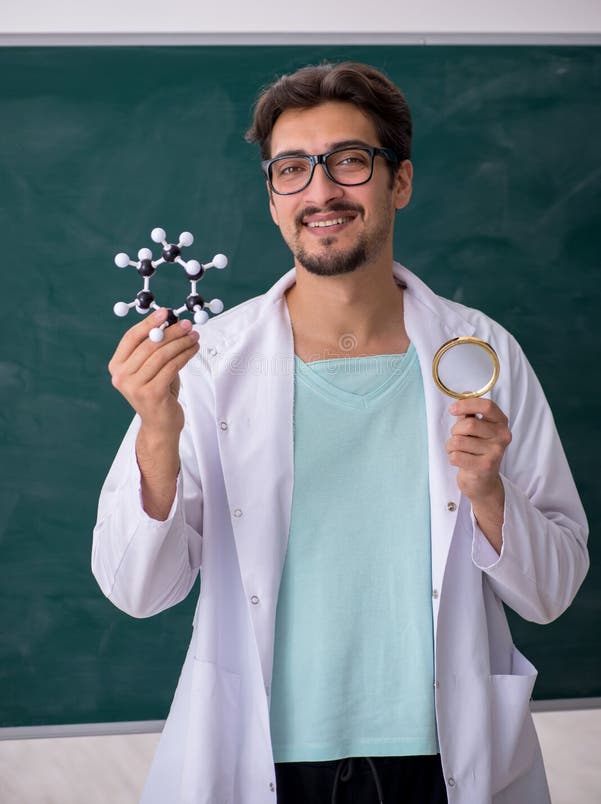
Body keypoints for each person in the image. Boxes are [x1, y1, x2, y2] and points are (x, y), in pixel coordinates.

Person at [92, 62, 589, 804]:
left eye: (348, 162)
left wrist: (487, 492)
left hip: (442, 758)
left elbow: (551, 592)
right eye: (291, 170)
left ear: (401, 182)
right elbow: (137, 590)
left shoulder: (481, 354)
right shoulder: (207, 367)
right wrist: (157, 430)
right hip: (263, 756)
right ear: (271, 199)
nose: (320, 192)